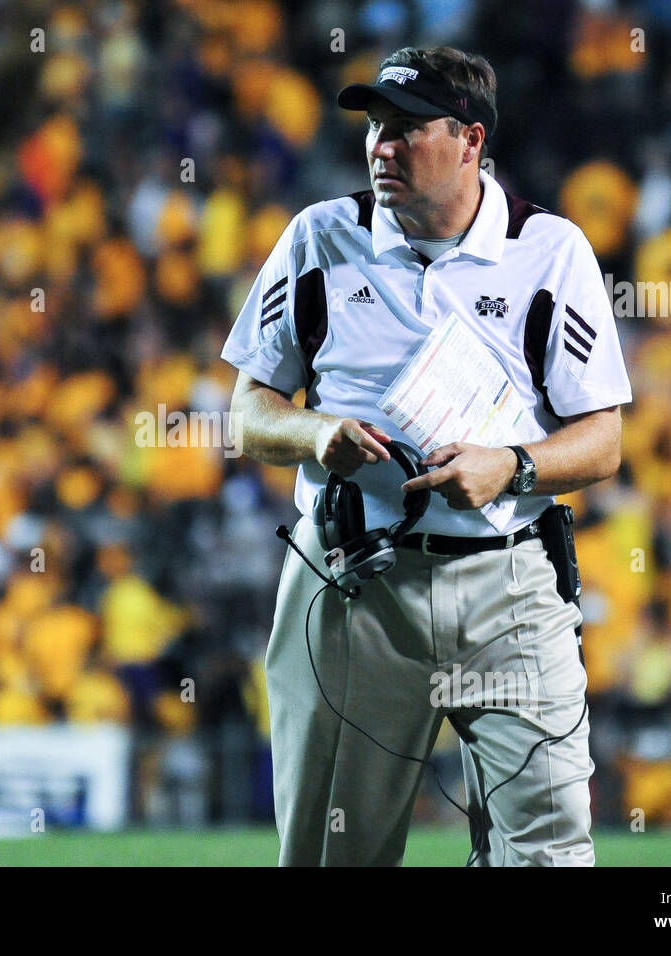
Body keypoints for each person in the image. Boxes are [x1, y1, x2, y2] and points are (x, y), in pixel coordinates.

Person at [222, 46, 632, 866]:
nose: (382, 145)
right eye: (376, 126)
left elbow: (603, 441)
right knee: (334, 853)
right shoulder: (318, 239)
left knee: (551, 852)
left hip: (509, 583)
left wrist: (510, 465)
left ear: (471, 139)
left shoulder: (549, 252)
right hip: (352, 584)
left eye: (407, 129)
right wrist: (314, 433)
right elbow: (248, 414)